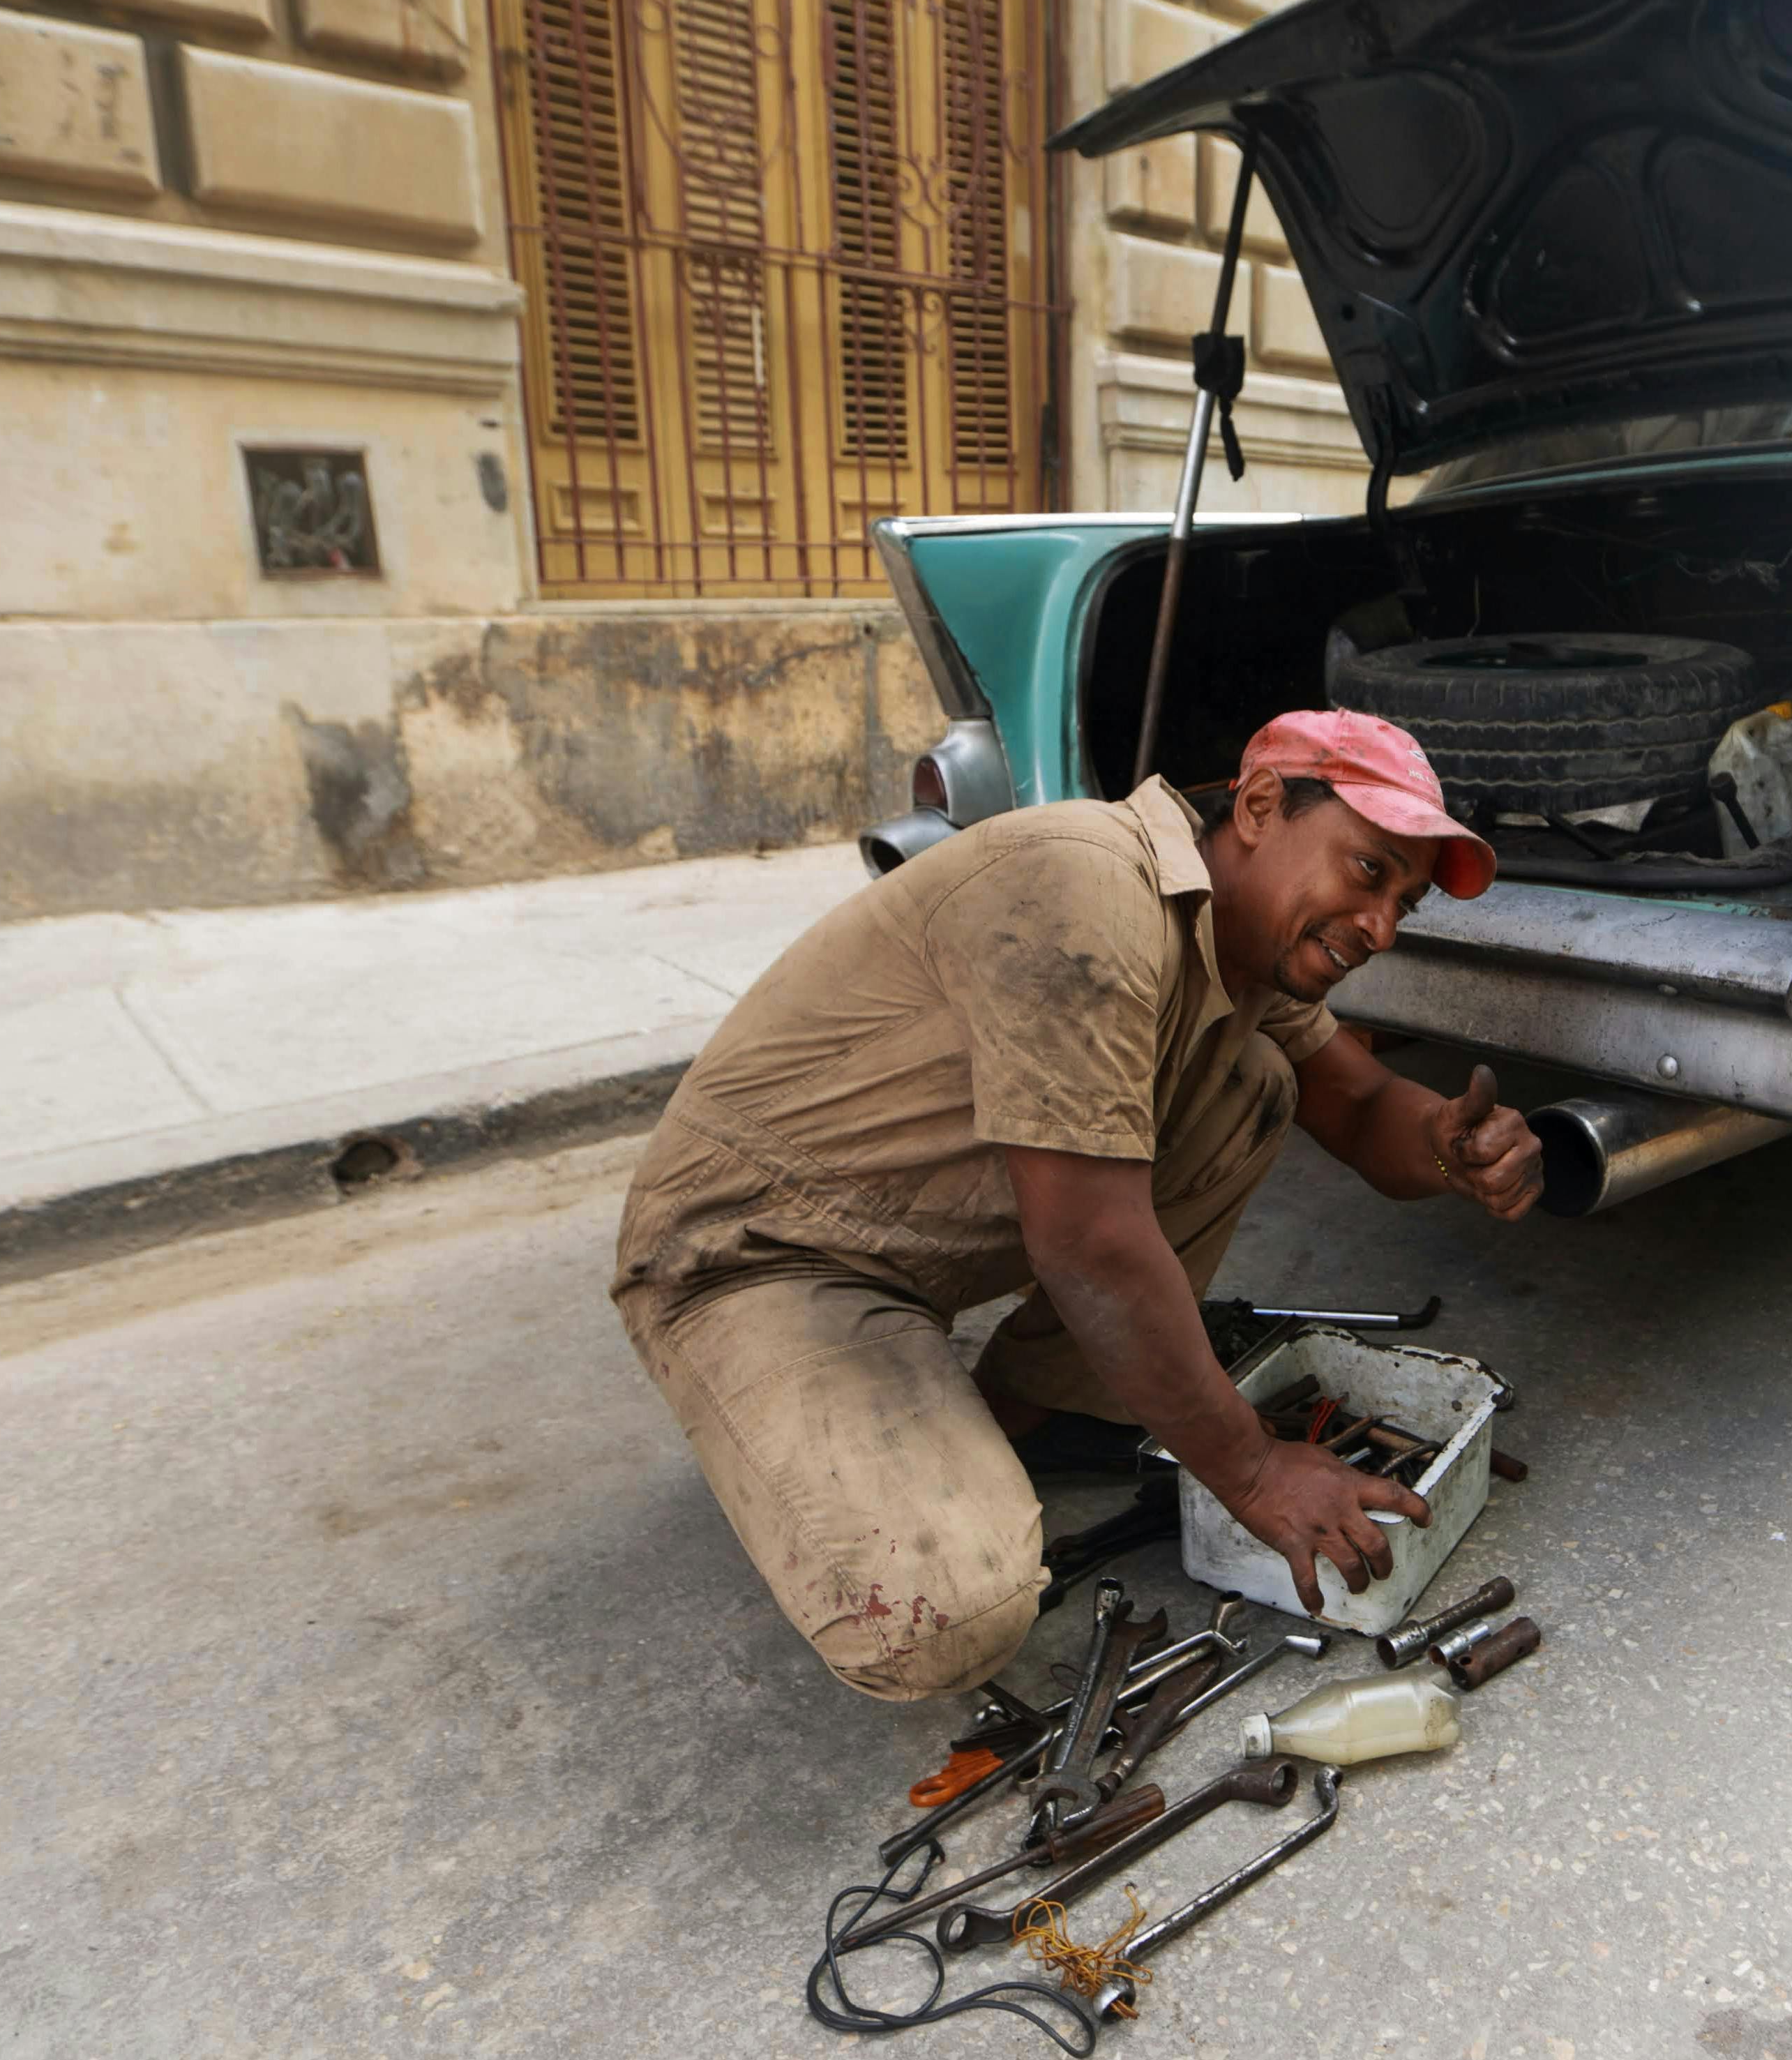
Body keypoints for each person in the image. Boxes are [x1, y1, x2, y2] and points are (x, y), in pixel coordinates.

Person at [610, 711, 1546, 1702]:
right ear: (1263, 806)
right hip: (760, 1251)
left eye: (1405, 903)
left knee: (1256, 1081)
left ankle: (1033, 1408)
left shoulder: (1240, 941)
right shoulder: (1084, 884)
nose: (1382, 927)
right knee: (948, 1619)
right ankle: (792, 1415)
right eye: (1369, 872)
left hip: (910, 1234)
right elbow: (1091, 1245)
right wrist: (1255, 1470)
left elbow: (1359, 1107)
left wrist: (1450, 1145)